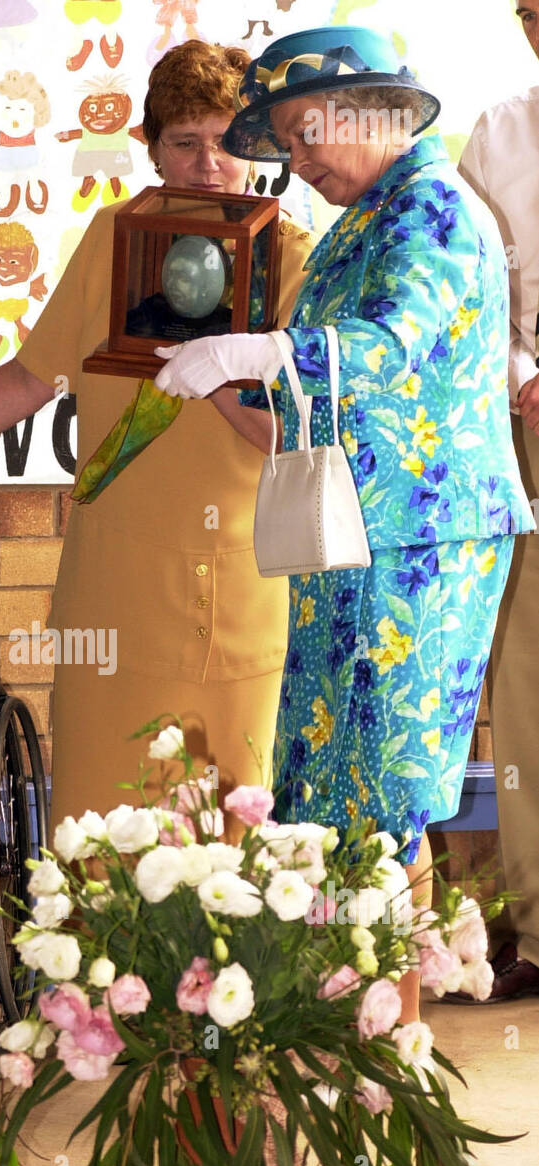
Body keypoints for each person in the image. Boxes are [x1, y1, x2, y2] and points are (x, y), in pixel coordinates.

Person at [154, 26, 535, 1023]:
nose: (296, 163)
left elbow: (391, 343)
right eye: (282, 141)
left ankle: (390, 1036)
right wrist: (241, 383)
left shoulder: (429, 209)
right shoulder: (369, 211)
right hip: (355, 531)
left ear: (369, 112)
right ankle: (358, 1018)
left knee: (382, 784)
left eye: (303, 134)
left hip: (415, 539)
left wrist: (256, 351)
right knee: (333, 780)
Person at [0, 40, 312, 829]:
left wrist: (217, 378)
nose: (207, 163)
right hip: (115, 593)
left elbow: (297, 438)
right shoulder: (111, 239)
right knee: (101, 825)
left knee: (241, 834)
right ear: (151, 147)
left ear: (257, 147)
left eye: (226, 141)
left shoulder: (291, 255)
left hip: (245, 589)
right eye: (183, 142)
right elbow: (31, 378)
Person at [452, 4, 539, 1002]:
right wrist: (518, 370)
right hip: (524, 424)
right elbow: (477, 290)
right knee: (521, 675)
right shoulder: (495, 134)